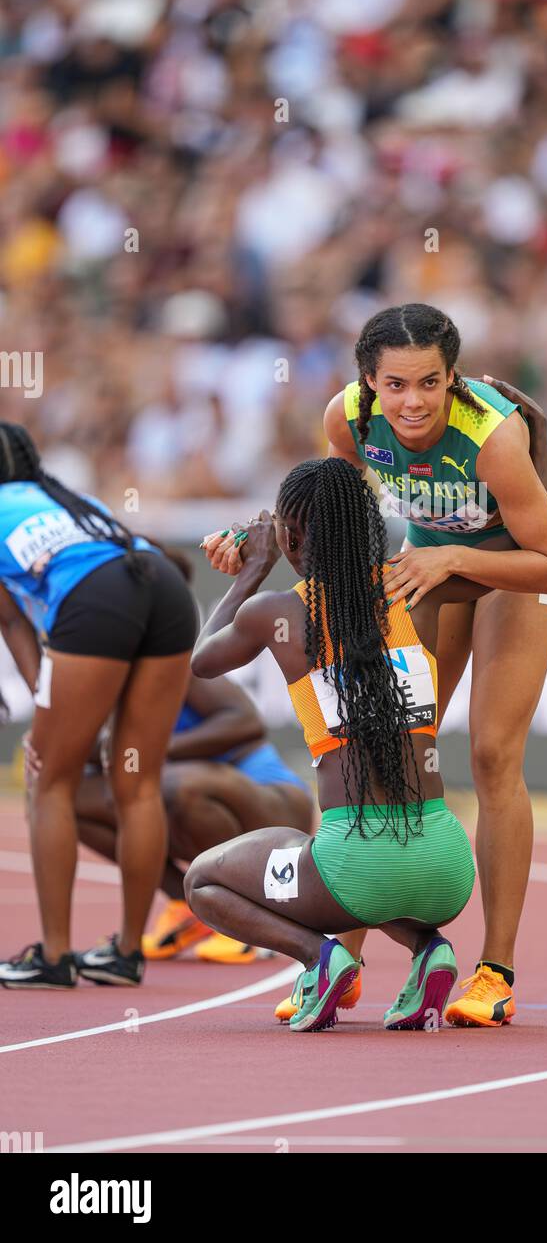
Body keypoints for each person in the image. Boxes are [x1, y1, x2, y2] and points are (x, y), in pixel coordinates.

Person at [325, 304, 547, 1026]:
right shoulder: (346, 420)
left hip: (513, 569)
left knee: (493, 754)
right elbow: (333, 514)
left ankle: (493, 973)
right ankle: (344, 960)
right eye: (396, 385)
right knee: (387, 745)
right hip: (431, 563)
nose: (413, 402)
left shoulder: (494, 437)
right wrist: (257, 534)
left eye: (430, 383)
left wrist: (451, 556)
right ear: (367, 382)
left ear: (452, 377)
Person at [186, 456, 493, 1031]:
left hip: (354, 864)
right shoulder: (416, 588)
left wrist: (252, 570)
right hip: (448, 861)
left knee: (203, 880)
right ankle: (431, 949)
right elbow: (536, 560)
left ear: (293, 539)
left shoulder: (277, 612)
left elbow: (202, 662)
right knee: (372, 876)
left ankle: (322, 959)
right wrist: (537, 460)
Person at [0, 422, 197, 990]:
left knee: (49, 781)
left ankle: (55, 957)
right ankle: (128, 953)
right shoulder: (64, 495)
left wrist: (47, 708)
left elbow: (11, 619)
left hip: (96, 598)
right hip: (163, 586)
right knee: (136, 782)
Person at [75, 658, 315, 967]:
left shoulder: (175, 666)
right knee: (74, 800)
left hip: (274, 803)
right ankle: (190, 907)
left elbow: (245, 722)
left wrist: (156, 748)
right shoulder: (94, 679)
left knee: (177, 786)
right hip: (185, 799)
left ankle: (245, 916)